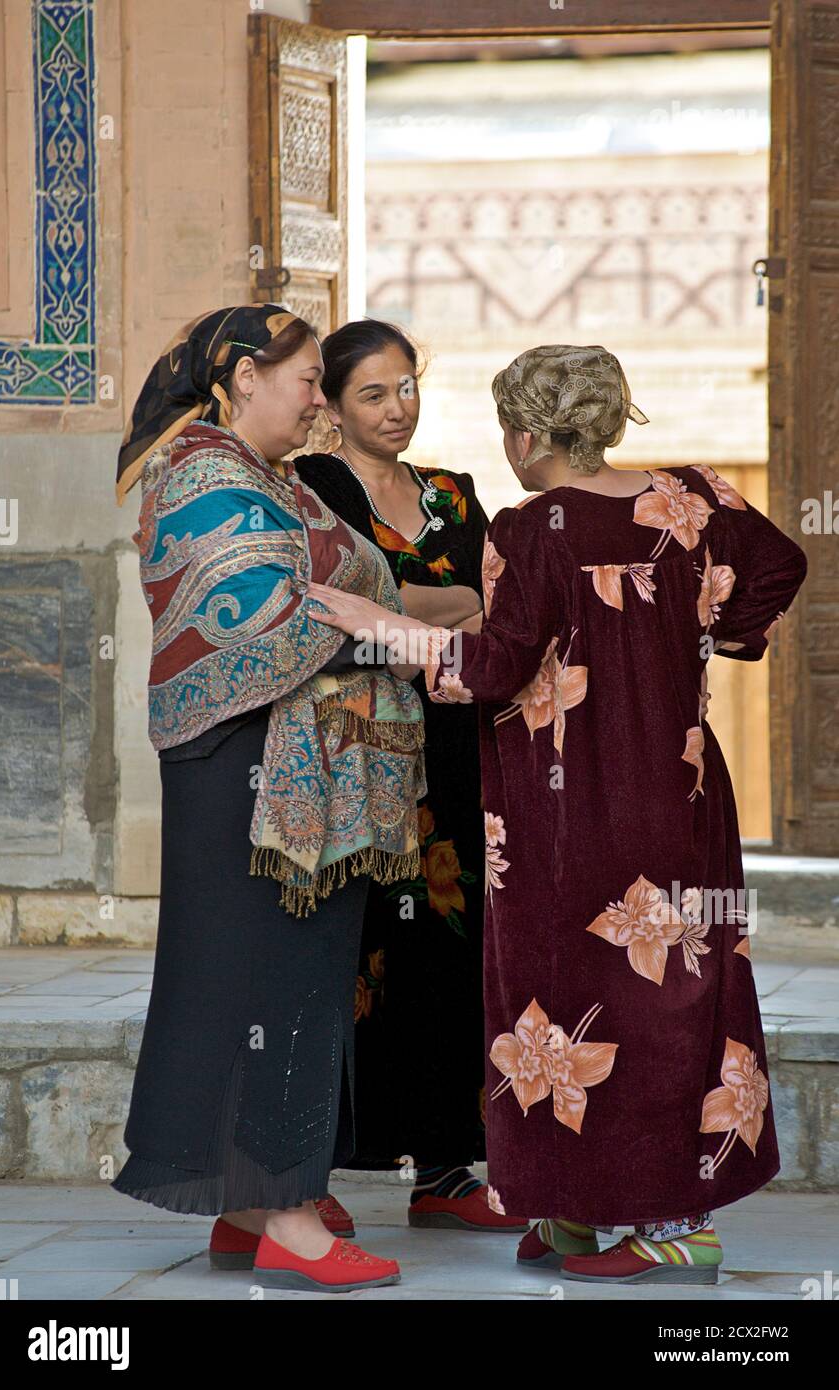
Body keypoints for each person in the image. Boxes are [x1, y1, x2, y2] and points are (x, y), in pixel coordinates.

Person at [306, 343, 808, 1285]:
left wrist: (379, 627)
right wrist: (710, 626)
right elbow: (779, 566)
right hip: (684, 797)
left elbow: (493, 667)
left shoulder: (532, 526)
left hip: (566, 815)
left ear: (527, 434)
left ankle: (667, 1226)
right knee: (676, 1001)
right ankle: (584, 1212)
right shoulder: (691, 496)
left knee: (566, 1004)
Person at [110, 304, 428, 1294]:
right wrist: (390, 627)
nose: (319, 403)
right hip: (246, 773)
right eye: (305, 382)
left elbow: (351, 585)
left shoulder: (271, 478)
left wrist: (374, 610)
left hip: (296, 772)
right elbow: (275, 612)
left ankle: (250, 1205)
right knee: (274, 980)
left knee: (266, 982)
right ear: (244, 376)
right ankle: (292, 1214)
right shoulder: (203, 472)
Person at [294, 319, 525, 1233]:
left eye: (408, 388)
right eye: (373, 394)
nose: (399, 409)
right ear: (334, 409)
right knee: (347, 954)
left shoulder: (452, 490)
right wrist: (421, 601)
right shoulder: (313, 486)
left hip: (454, 744)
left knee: (451, 947)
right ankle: (308, 1174)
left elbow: (483, 599)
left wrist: (392, 598)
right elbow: (338, 601)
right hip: (355, 745)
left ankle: (446, 1171)